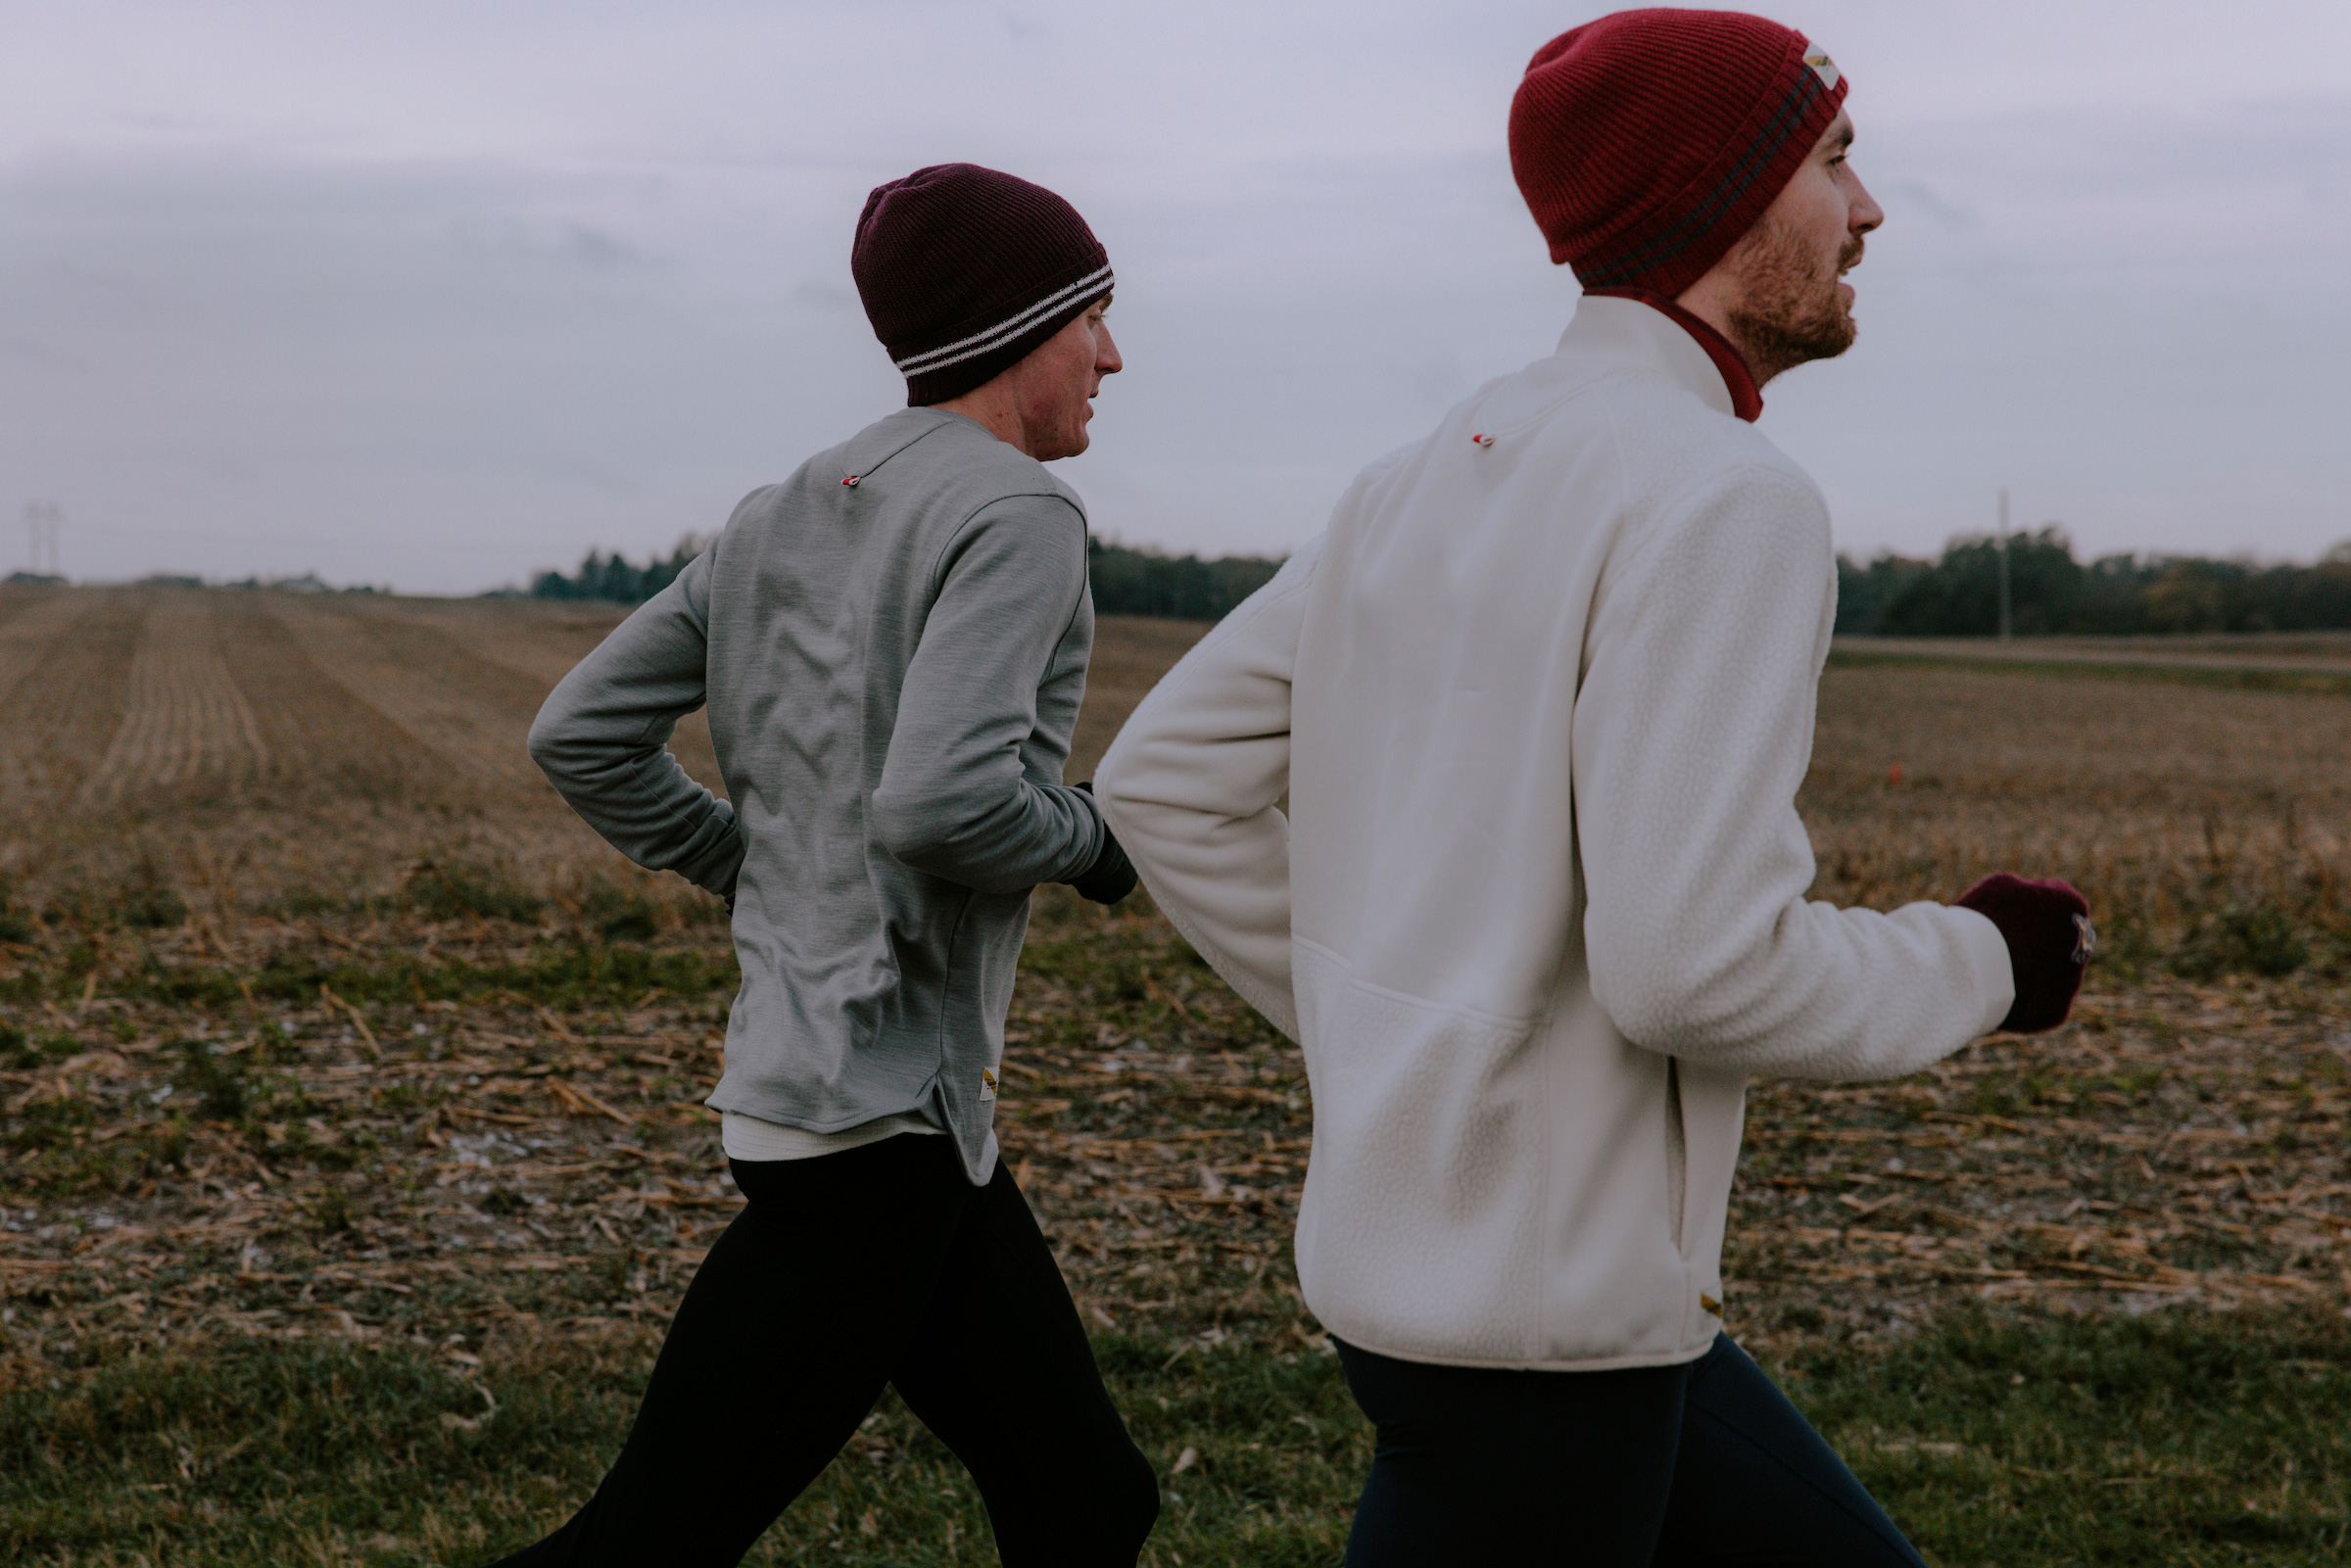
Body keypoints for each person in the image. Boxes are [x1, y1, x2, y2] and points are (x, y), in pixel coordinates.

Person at [1094, 12, 2092, 1566]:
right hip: (1545, 1338)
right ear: (1724, 200)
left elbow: (1163, 777)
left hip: (1516, 1296)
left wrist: (1416, 1036)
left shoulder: (1427, 469)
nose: (1871, 209)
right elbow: (1697, 968)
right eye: (1833, 160)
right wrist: (1986, 960)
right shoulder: (1723, 494)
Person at [502, 163, 1157, 1567]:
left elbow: (579, 734)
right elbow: (944, 803)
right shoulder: (1018, 515)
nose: (1112, 356)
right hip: (878, 1139)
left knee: (1088, 1499)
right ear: (1019, 329)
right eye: (1092, 319)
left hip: (843, 1115)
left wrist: (757, 867)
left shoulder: (780, 509)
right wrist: (1100, 840)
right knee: (642, 1549)